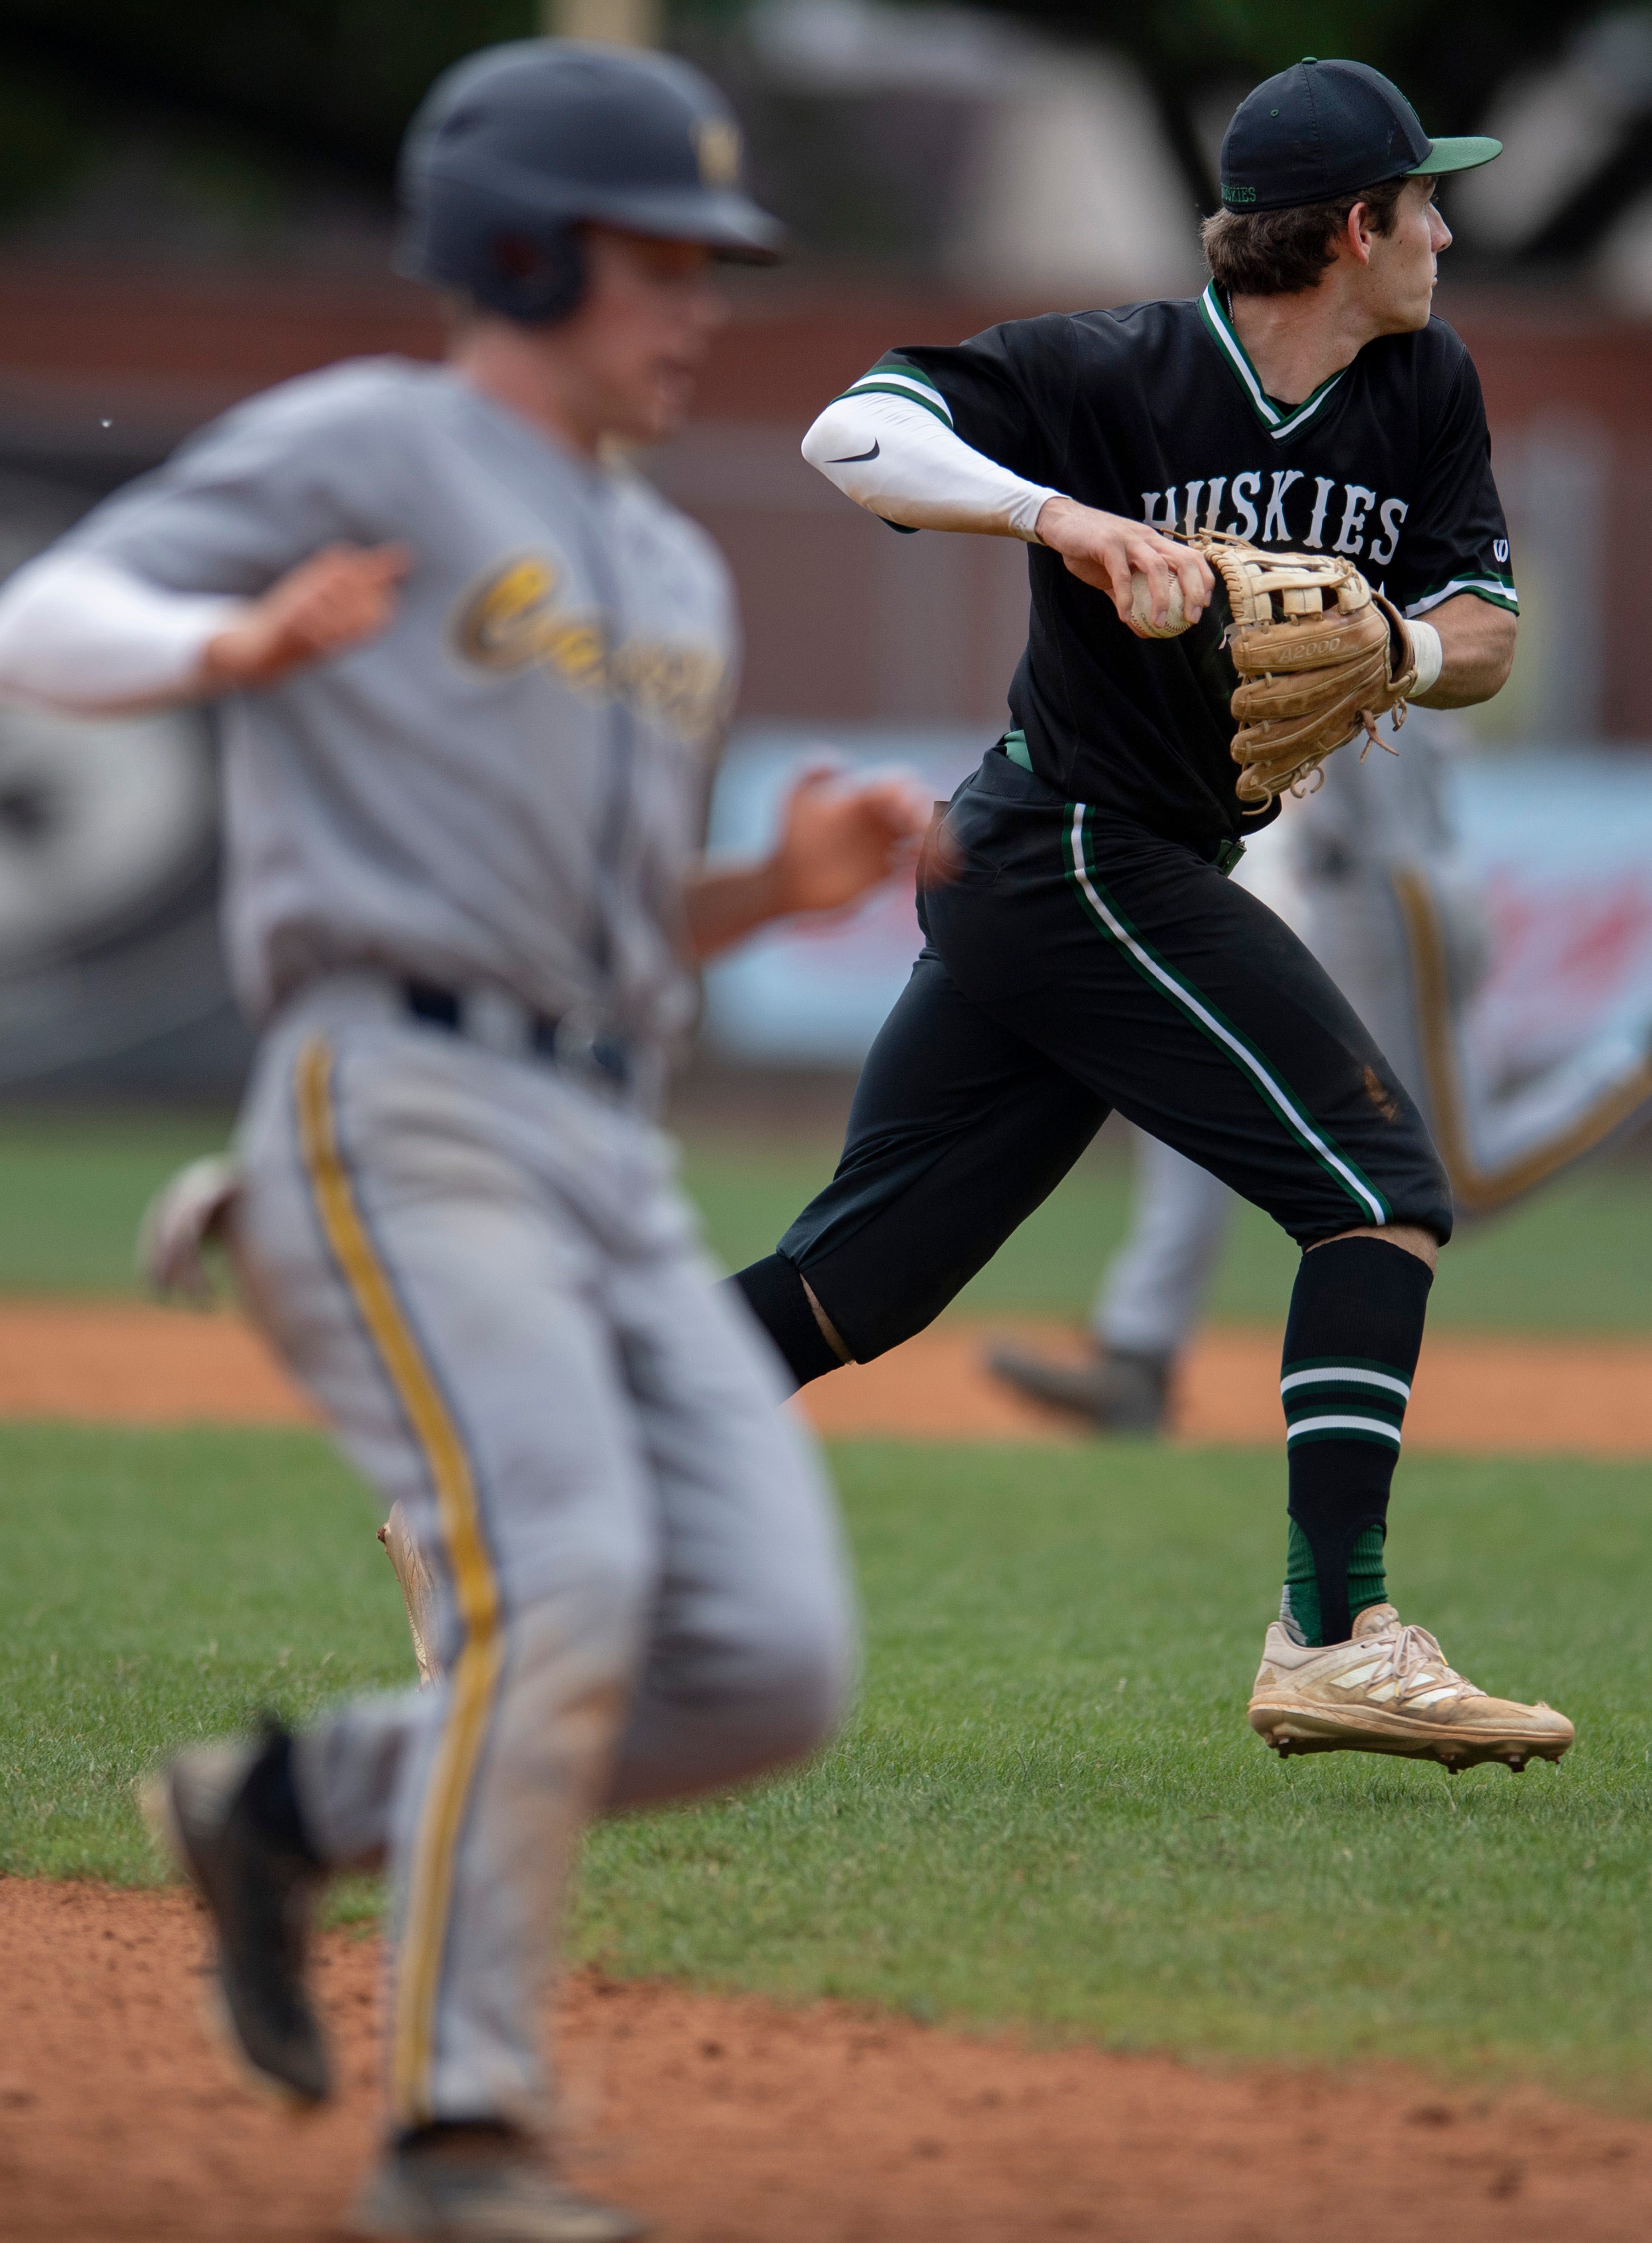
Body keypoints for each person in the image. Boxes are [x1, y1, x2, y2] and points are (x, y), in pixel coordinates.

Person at [0, 41, 931, 2243]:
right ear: (517, 251)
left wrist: (773, 894)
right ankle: (462, 2138)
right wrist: (229, 637)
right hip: (397, 1103)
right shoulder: (374, 444)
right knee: (569, 1575)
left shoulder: (676, 571)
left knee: (768, 1665)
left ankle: (288, 1807)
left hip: (603, 1137)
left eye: (711, 265)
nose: (697, 305)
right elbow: (45, 616)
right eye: (656, 258)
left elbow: (606, 945)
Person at [729, 56, 1579, 1777]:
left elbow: (1482, 633)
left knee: (854, 1285)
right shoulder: (1115, 367)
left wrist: (1396, 648)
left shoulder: (1421, 386)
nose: (1444, 232)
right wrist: (1063, 520)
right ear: (1355, 227)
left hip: (1104, 867)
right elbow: (849, 435)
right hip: (1067, 845)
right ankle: (1331, 1635)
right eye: (1425, 203)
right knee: (1379, 1191)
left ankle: (494, 1502)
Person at [988, 714, 1652, 1434]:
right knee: (1185, 1068)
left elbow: (1309, 723)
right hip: (1343, 886)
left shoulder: (1351, 596)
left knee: (1453, 1183)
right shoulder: (1372, 597)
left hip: (1383, 900)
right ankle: (1138, 1351)